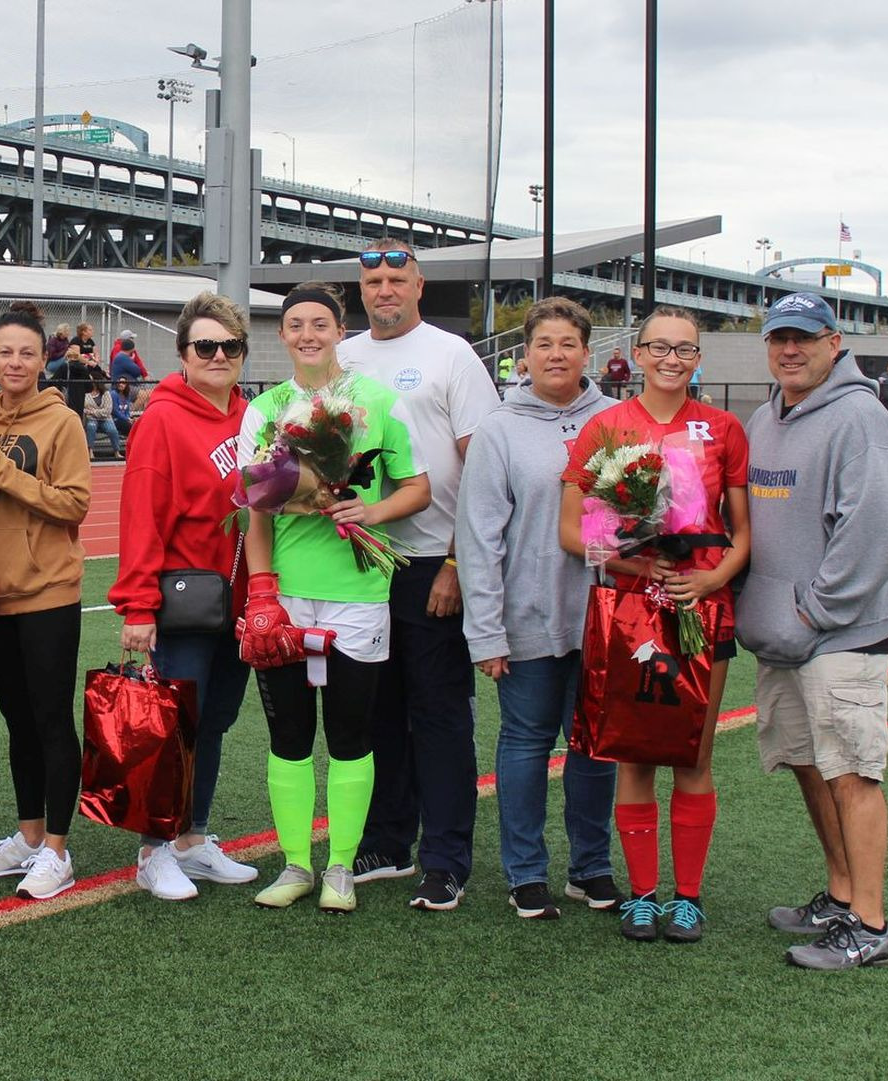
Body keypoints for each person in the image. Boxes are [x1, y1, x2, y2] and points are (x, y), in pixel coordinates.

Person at [559, 305, 750, 944]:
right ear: (636, 354)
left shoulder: (722, 428)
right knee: (635, 754)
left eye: (686, 350)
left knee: (694, 752)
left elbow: (743, 534)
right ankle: (642, 894)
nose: (672, 359)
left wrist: (711, 579)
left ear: (699, 360)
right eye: (659, 347)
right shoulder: (605, 429)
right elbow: (573, 534)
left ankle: (687, 897)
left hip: (702, 607)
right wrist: (631, 560)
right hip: (631, 612)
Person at [242, 283, 430, 914]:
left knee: (352, 733)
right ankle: (296, 863)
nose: (307, 335)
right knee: (288, 734)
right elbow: (255, 511)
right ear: (283, 335)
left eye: (319, 323)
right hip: (290, 593)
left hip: (358, 593)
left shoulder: (379, 402)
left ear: (339, 330)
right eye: (295, 325)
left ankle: (342, 868)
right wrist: (263, 591)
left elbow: (418, 488)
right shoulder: (263, 409)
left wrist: (368, 508)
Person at [739, 292, 888, 970]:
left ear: (835, 342)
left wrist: (810, 613)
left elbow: (871, 534)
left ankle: (871, 924)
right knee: (808, 764)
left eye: (804, 338)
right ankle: (841, 894)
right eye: (779, 337)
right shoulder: (764, 417)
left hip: (839, 636)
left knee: (853, 771)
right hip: (784, 637)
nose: (790, 349)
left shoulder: (860, 418)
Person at [338, 240, 499, 912]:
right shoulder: (342, 357)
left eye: (396, 279)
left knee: (438, 716)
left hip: (434, 561)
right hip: (362, 563)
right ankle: (388, 840)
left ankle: (446, 856)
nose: (384, 290)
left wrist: (461, 562)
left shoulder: (450, 355)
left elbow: (484, 471)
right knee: (377, 713)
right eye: (373, 279)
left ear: (419, 285)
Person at [456, 298, 620, 919]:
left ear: (587, 352)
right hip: (527, 616)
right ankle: (526, 873)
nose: (556, 354)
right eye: (544, 344)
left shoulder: (616, 418)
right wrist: (487, 632)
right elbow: (479, 536)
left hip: (604, 617)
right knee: (525, 743)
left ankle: (591, 866)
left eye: (568, 343)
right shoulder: (500, 427)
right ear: (525, 355)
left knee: (594, 745)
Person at [108, 291, 260, 902]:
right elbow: (142, 515)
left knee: (214, 723)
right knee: (174, 725)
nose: (218, 355)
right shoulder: (163, 419)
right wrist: (139, 606)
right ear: (184, 354)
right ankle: (154, 848)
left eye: (230, 346)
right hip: (185, 598)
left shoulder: (253, 417)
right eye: (205, 346)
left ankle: (194, 839)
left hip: (240, 600)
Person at [0, 301, 93, 901]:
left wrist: (0, 469)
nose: (15, 362)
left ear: (45, 359)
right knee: (17, 724)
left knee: (50, 721)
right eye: (5, 351)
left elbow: (73, 504)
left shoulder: (61, 422)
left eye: (27, 352)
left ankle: (59, 852)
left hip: (47, 592)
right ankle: (28, 835)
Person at [81, 380, 121, 459]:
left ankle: (117, 451)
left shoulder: (106, 394)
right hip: (91, 419)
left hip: (105, 418)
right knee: (91, 427)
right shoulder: (86, 394)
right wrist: (97, 412)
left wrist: (92, 411)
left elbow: (107, 411)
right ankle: (90, 451)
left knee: (112, 430)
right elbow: (85, 410)